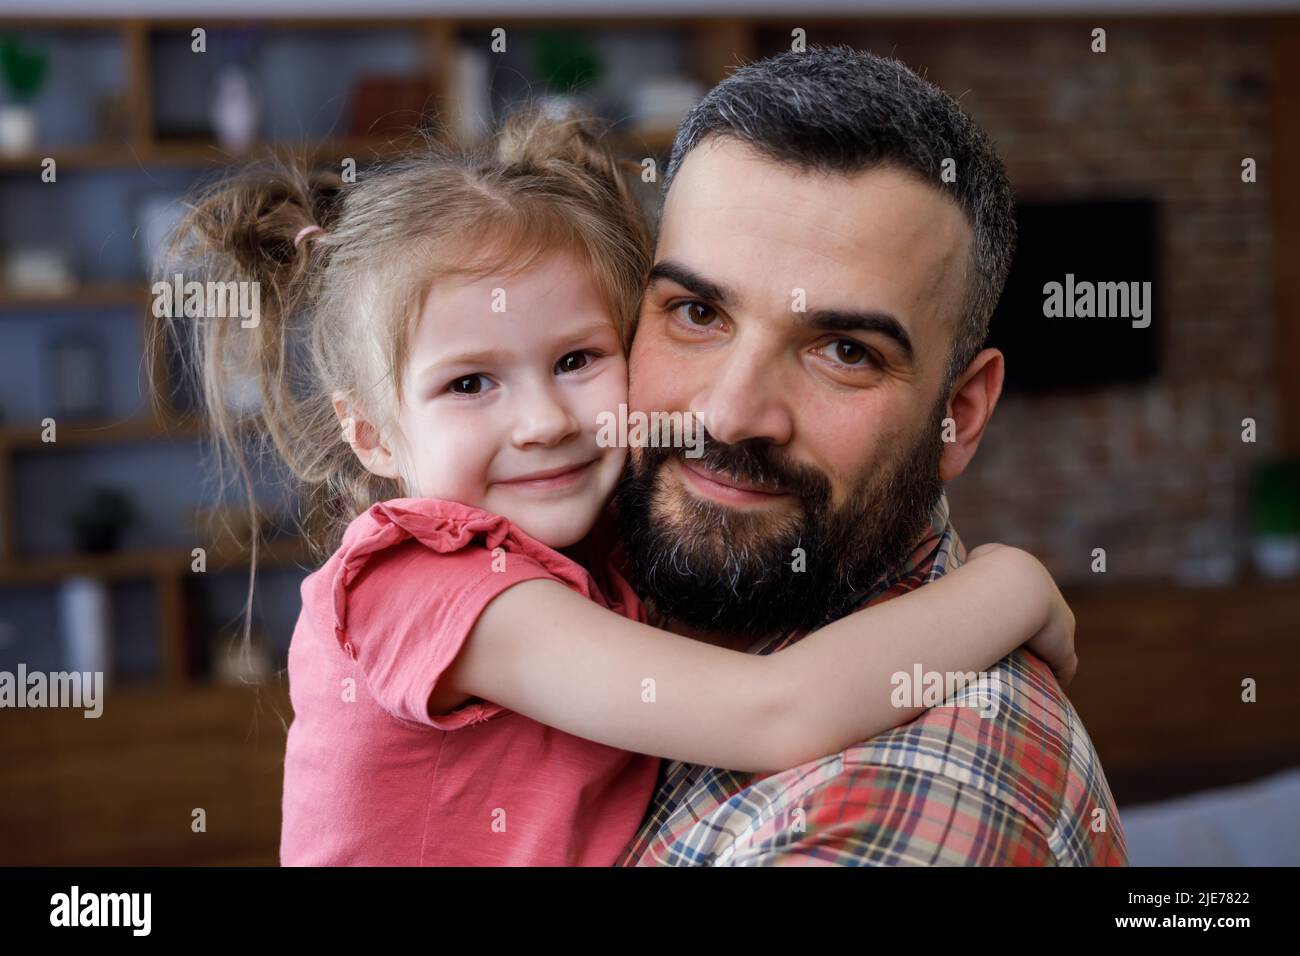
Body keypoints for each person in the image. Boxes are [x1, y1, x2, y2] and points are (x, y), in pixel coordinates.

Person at [154, 107, 1075, 867]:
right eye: (470, 383)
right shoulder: (425, 584)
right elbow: (772, 712)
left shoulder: (588, 539)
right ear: (369, 434)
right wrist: (1014, 583)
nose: (544, 420)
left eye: (578, 359)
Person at [612, 46, 1128, 866]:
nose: (731, 413)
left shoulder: (905, 807)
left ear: (959, 415)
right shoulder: (542, 566)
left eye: (845, 351)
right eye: (698, 311)